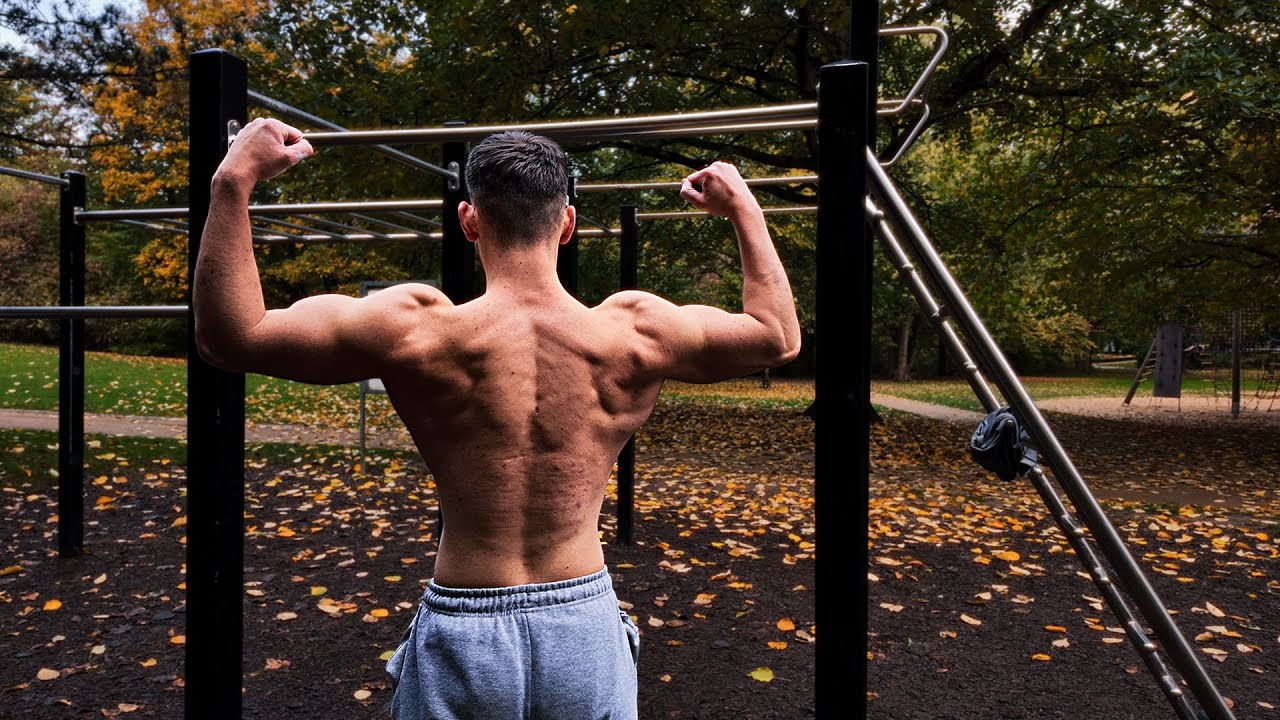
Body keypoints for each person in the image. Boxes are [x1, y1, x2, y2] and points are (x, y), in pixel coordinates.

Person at [193, 118, 801, 719]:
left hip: (465, 624)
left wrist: (233, 181)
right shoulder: (635, 330)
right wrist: (744, 205)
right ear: (566, 225)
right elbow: (777, 335)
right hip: (582, 628)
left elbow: (231, 338)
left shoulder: (415, 328)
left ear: (469, 221)